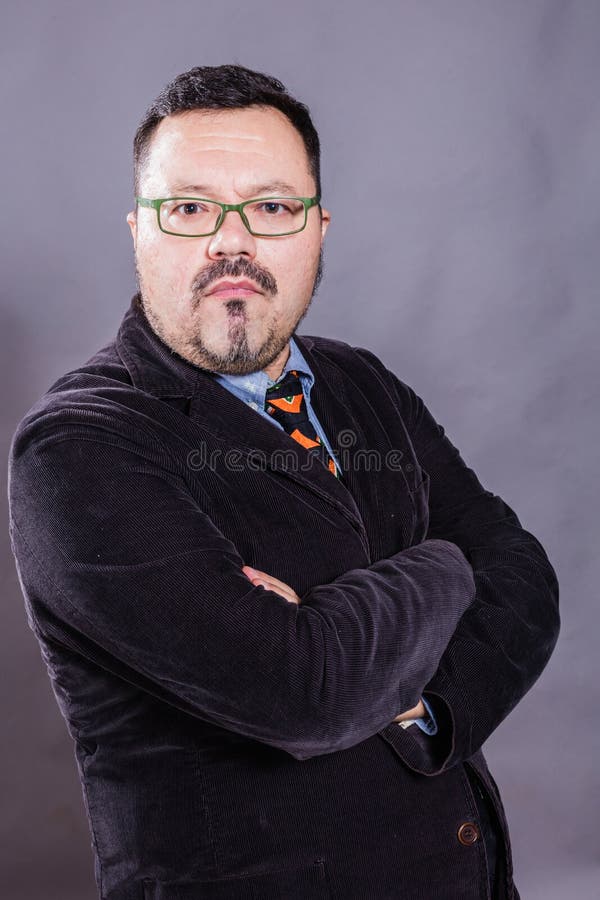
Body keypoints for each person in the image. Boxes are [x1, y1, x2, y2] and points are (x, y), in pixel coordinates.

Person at [8, 64, 559, 900]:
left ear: (318, 229)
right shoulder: (76, 449)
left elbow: (526, 577)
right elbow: (307, 689)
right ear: (139, 230)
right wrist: (449, 563)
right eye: (191, 208)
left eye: (271, 207)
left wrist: (422, 706)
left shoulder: (361, 383)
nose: (232, 241)